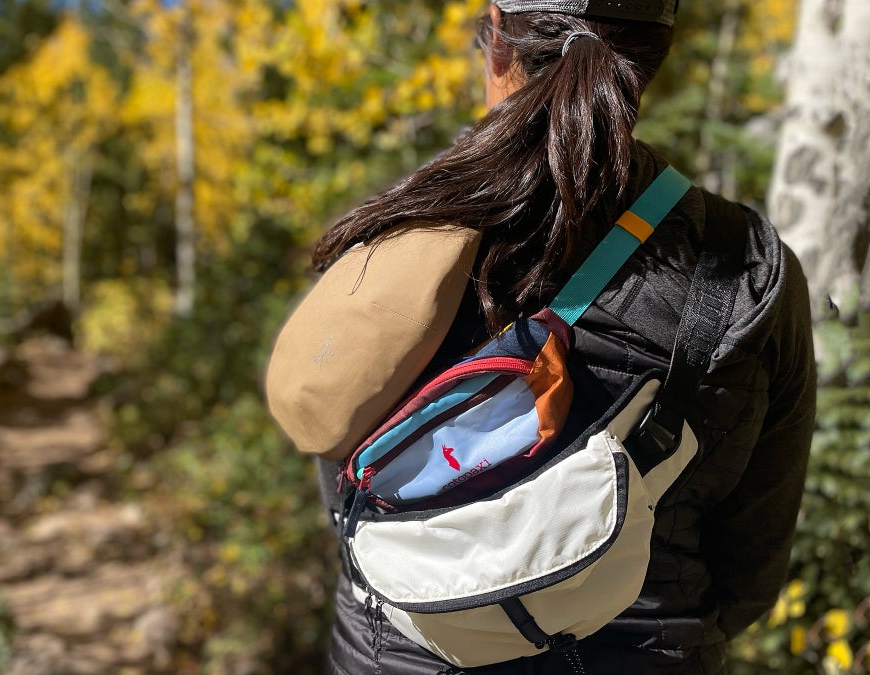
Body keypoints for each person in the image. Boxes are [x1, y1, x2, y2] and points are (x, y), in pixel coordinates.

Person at [310, 1, 818, 673]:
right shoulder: (749, 265)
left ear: (496, 36)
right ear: (656, 52)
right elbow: (748, 575)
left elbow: (341, 485)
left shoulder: (397, 232)